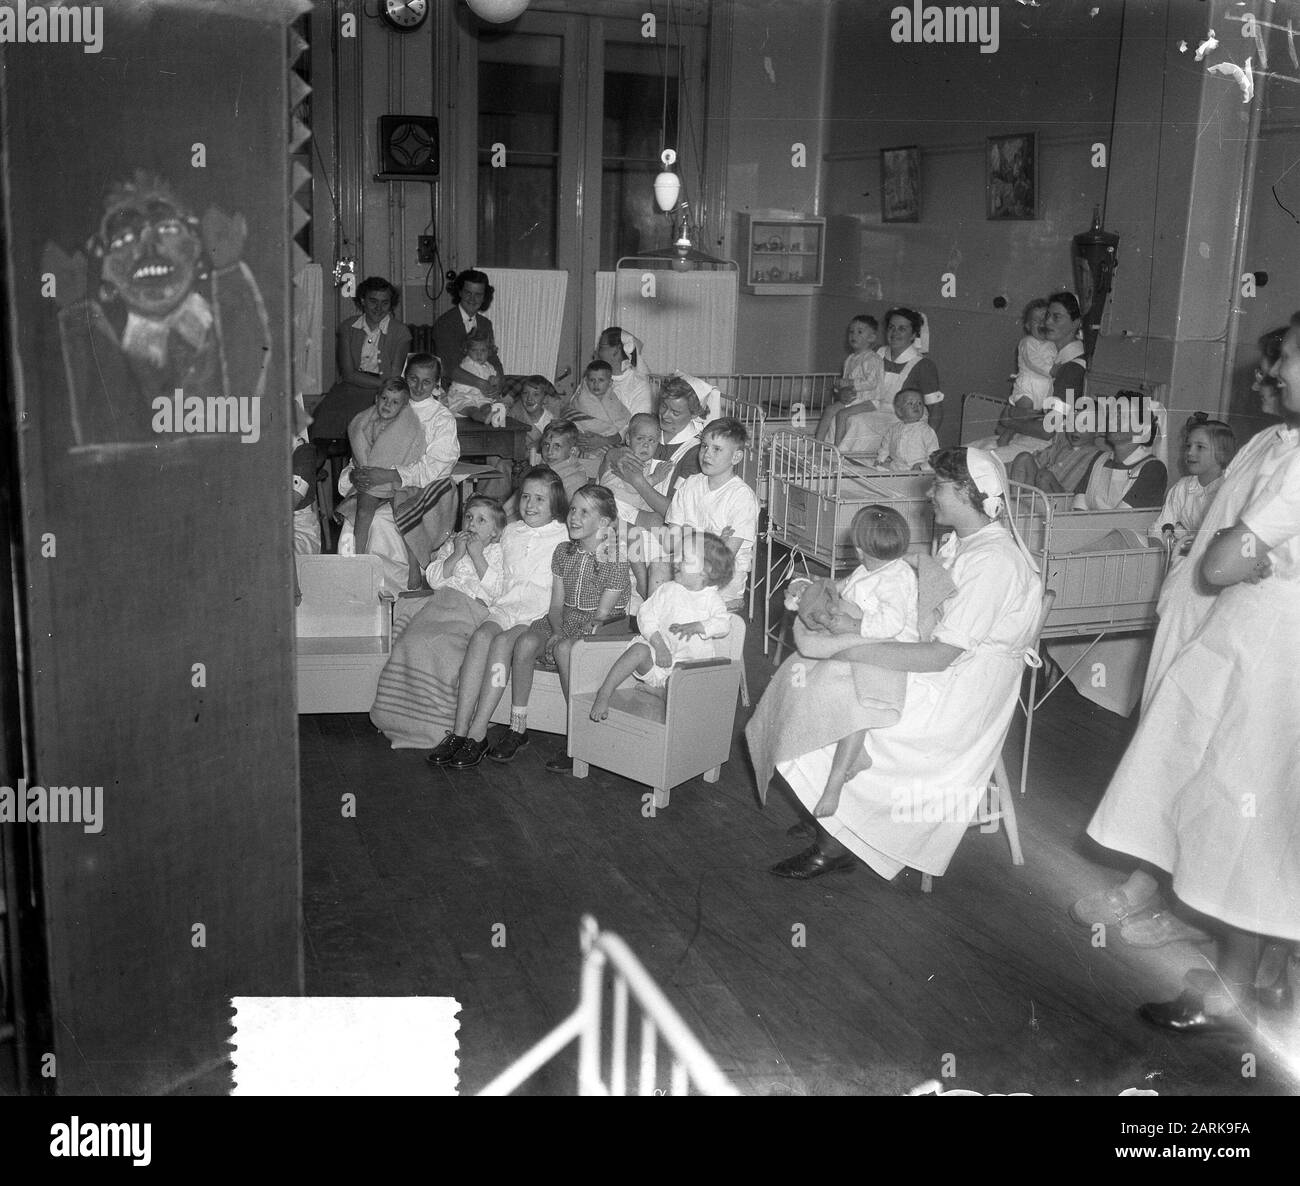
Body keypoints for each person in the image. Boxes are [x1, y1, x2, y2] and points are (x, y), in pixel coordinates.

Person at [1081, 315, 1300, 1032]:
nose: (1271, 374)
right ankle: (1248, 969)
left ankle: (1244, 979)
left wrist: (1247, 556)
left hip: (1274, 656)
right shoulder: (1276, 442)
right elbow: (1224, 548)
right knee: (1238, 807)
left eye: (1287, 362)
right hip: (1246, 643)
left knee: (1250, 809)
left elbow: (1220, 562)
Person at [765, 447, 1041, 883]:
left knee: (843, 690)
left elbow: (942, 654)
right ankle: (836, 815)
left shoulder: (995, 562)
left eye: (941, 486)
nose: (930, 493)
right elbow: (908, 598)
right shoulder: (962, 543)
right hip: (943, 662)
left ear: (968, 493)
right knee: (813, 676)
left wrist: (852, 649)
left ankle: (838, 839)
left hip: (963, 690)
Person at [470, 484, 631, 770]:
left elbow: (602, 616)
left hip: (604, 626)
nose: (574, 517)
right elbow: (556, 605)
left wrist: (566, 638)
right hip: (566, 618)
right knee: (526, 642)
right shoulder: (563, 552)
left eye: (585, 512)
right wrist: (556, 630)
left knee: (567, 650)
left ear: (604, 523)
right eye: (572, 509)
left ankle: (579, 737)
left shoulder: (614, 556)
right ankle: (518, 726)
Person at [422, 467, 570, 765]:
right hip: (504, 607)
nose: (530, 505)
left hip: (534, 615)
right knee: (481, 637)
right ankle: (460, 730)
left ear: (555, 501)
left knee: (501, 643)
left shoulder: (564, 534)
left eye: (540, 499)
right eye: (526, 496)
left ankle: (478, 732)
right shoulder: (511, 531)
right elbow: (493, 571)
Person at [784, 505, 919, 820]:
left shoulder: (897, 577)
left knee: (856, 705)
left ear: (859, 549)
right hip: (864, 640)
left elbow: (892, 624)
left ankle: (836, 781)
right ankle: (855, 756)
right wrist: (812, 587)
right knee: (812, 674)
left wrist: (854, 625)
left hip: (889, 649)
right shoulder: (869, 569)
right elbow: (845, 588)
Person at [337, 353, 461, 593]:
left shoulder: (441, 418)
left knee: (387, 521)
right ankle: (354, 580)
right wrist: (355, 475)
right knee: (356, 518)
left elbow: (437, 466)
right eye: (413, 379)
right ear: (405, 377)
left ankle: (399, 588)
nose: (418, 387)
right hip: (376, 484)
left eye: (426, 382)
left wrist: (391, 476)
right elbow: (364, 450)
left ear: (436, 384)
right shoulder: (388, 404)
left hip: (422, 486)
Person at [589, 529, 734, 721]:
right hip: (659, 659)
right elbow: (645, 614)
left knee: (688, 693)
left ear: (705, 572)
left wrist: (701, 626)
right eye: (678, 555)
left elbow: (724, 624)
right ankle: (605, 692)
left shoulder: (711, 599)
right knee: (638, 650)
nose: (676, 562)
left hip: (688, 669)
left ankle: (662, 693)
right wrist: (658, 643)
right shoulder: (668, 590)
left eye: (685, 559)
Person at [1007, 292, 1105, 494]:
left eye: (1056, 317)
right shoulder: (1053, 357)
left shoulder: (1072, 369)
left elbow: (1048, 429)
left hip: (1051, 445)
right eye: (1047, 316)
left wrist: (1010, 420)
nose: (1047, 322)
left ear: (1076, 323)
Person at [662, 417, 760, 609]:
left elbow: (727, 553)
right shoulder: (690, 484)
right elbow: (671, 541)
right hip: (688, 562)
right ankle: (653, 629)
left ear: (736, 457)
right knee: (658, 567)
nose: (707, 454)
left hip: (722, 572)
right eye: (704, 446)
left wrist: (690, 536)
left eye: (717, 449)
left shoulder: (742, 496)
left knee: (686, 597)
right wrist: (713, 540)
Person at [311, 276, 412, 441]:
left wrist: (382, 385)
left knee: (367, 429)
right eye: (373, 301)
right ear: (363, 301)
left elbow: (393, 377)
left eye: (385, 303)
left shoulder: (401, 332)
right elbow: (348, 374)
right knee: (320, 423)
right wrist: (378, 381)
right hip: (348, 389)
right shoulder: (347, 327)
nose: (379, 308)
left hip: (382, 393)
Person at [836, 306, 945, 451]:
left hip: (902, 420)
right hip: (872, 407)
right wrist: (842, 394)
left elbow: (936, 409)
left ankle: (843, 463)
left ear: (913, 335)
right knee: (837, 415)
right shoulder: (874, 354)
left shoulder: (923, 365)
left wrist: (925, 442)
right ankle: (826, 459)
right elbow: (852, 383)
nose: (895, 333)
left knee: (857, 421)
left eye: (902, 329)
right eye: (891, 327)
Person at [344, 377, 427, 555]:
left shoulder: (410, 427)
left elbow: (415, 454)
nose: (387, 405)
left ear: (404, 406)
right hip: (372, 482)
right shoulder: (366, 422)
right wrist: (360, 472)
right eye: (384, 398)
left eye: (395, 402)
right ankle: (358, 558)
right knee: (363, 513)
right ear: (376, 398)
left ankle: (414, 565)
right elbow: (359, 452)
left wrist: (394, 475)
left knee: (406, 515)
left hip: (398, 480)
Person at [601, 413, 670, 596]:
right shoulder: (626, 458)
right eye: (640, 439)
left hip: (629, 509)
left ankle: (671, 553)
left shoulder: (644, 463)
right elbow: (632, 488)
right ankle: (642, 581)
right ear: (628, 439)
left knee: (656, 519)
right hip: (612, 506)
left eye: (652, 441)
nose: (646, 444)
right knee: (634, 535)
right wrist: (655, 478)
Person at [1148, 415, 1235, 556]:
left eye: (1200, 447)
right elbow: (1158, 528)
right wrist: (1160, 558)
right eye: (1188, 446)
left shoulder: (1230, 490)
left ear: (1222, 453)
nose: (1190, 452)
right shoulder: (1182, 487)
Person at [422, 495, 506, 603]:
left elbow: (497, 590)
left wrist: (477, 556)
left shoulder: (497, 552)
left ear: (494, 531)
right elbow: (433, 581)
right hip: (446, 604)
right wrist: (457, 554)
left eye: (481, 520)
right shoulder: (451, 546)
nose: (471, 523)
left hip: (476, 608)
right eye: (468, 517)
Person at [432, 269, 504, 395]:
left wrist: (499, 382)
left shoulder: (485, 324)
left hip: (483, 387)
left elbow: (493, 359)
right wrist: (481, 384)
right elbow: (450, 368)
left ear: (484, 297)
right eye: (468, 293)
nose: (473, 299)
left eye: (478, 294)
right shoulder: (445, 323)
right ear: (459, 292)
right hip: (454, 388)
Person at [1071, 417, 1168, 511]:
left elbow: (1122, 519)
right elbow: (1078, 508)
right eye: (1113, 415)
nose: (1113, 421)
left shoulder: (1154, 469)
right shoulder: (1099, 459)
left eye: (1123, 417)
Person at [815, 315, 885, 443]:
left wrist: (851, 383)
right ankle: (817, 445)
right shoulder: (850, 359)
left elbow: (872, 382)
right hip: (854, 399)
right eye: (851, 331)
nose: (854, 335)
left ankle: (838, 449)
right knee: (829, 410)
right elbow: (845, 380)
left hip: (869, 400)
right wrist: (839, 386)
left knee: (842, 415)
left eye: (860, 332)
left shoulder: (872, 358)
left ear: (871, 337)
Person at [565, 359, 630, 448]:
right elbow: (570, 418)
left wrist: (605, 440)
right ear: (586, 381)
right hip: (583, 442)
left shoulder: (616, 399)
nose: (596, 384)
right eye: (592, 380)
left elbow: (624, 422)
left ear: (610, 382)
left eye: (601, 380)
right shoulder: (580, 399)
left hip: (610, 444)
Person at [443, 328, 506, 420]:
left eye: (483, 350)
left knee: (487, 406)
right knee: (471, 409)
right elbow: (456, 374)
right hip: (464, 396)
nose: (479, 354)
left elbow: (495, 382)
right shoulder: (465, 364)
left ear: (489, 352)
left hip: (482, 398)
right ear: (466, 350)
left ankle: (491, 415)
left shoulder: (490, 367)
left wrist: (494, 381)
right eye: (474, 350)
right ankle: (480, 417)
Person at [595, 326, 654, 418]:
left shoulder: (638, 385)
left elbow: (638, 425)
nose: (597, 352)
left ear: (616, 349)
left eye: (601, 347)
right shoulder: (593, 378)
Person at [876, 388, 940, 471]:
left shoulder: (926, 430)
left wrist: (923, 467)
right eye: (910, 403)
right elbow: (885, 447)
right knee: (881, 471)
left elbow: (934, 453)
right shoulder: (894, 429)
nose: (916, 405)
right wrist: (880, 460)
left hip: (918, 470)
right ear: (899, 411)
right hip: (896, 467)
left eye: (920, 403)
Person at [538, 421, 590, 501]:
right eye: (546, 445)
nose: (549, 452)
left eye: (557, 446)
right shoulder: (542, 466)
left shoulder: (576, 479)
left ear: (572, 451)